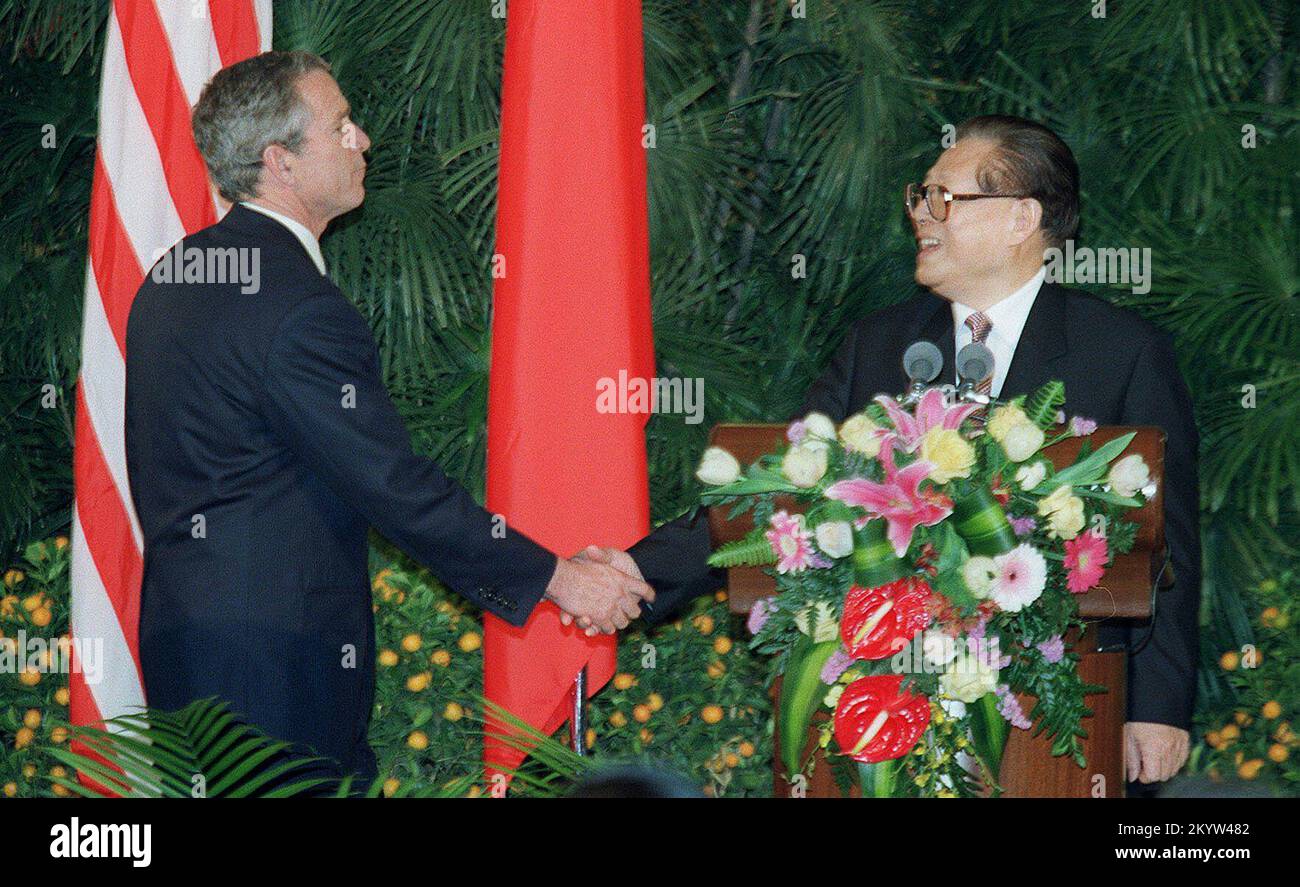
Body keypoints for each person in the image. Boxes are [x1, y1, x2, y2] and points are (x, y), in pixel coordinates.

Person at [587, 115, 1200, 786]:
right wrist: (632, 573)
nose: (921, 216)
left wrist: (1159, 708)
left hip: (1060, 711)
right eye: (919, 196)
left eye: (944, 198)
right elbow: (783, 492)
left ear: (1021, 217)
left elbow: (1170, 542)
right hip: (879, 696)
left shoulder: (1121, 351)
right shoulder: (879, 344)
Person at [125, 51, 652, 781]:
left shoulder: (171, 276)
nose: (363, 140)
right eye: (340, 127)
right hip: (277, 674)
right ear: (280, 161)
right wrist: (558, 578)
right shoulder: (299, 306)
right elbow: (392, 485)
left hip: (188, 654)